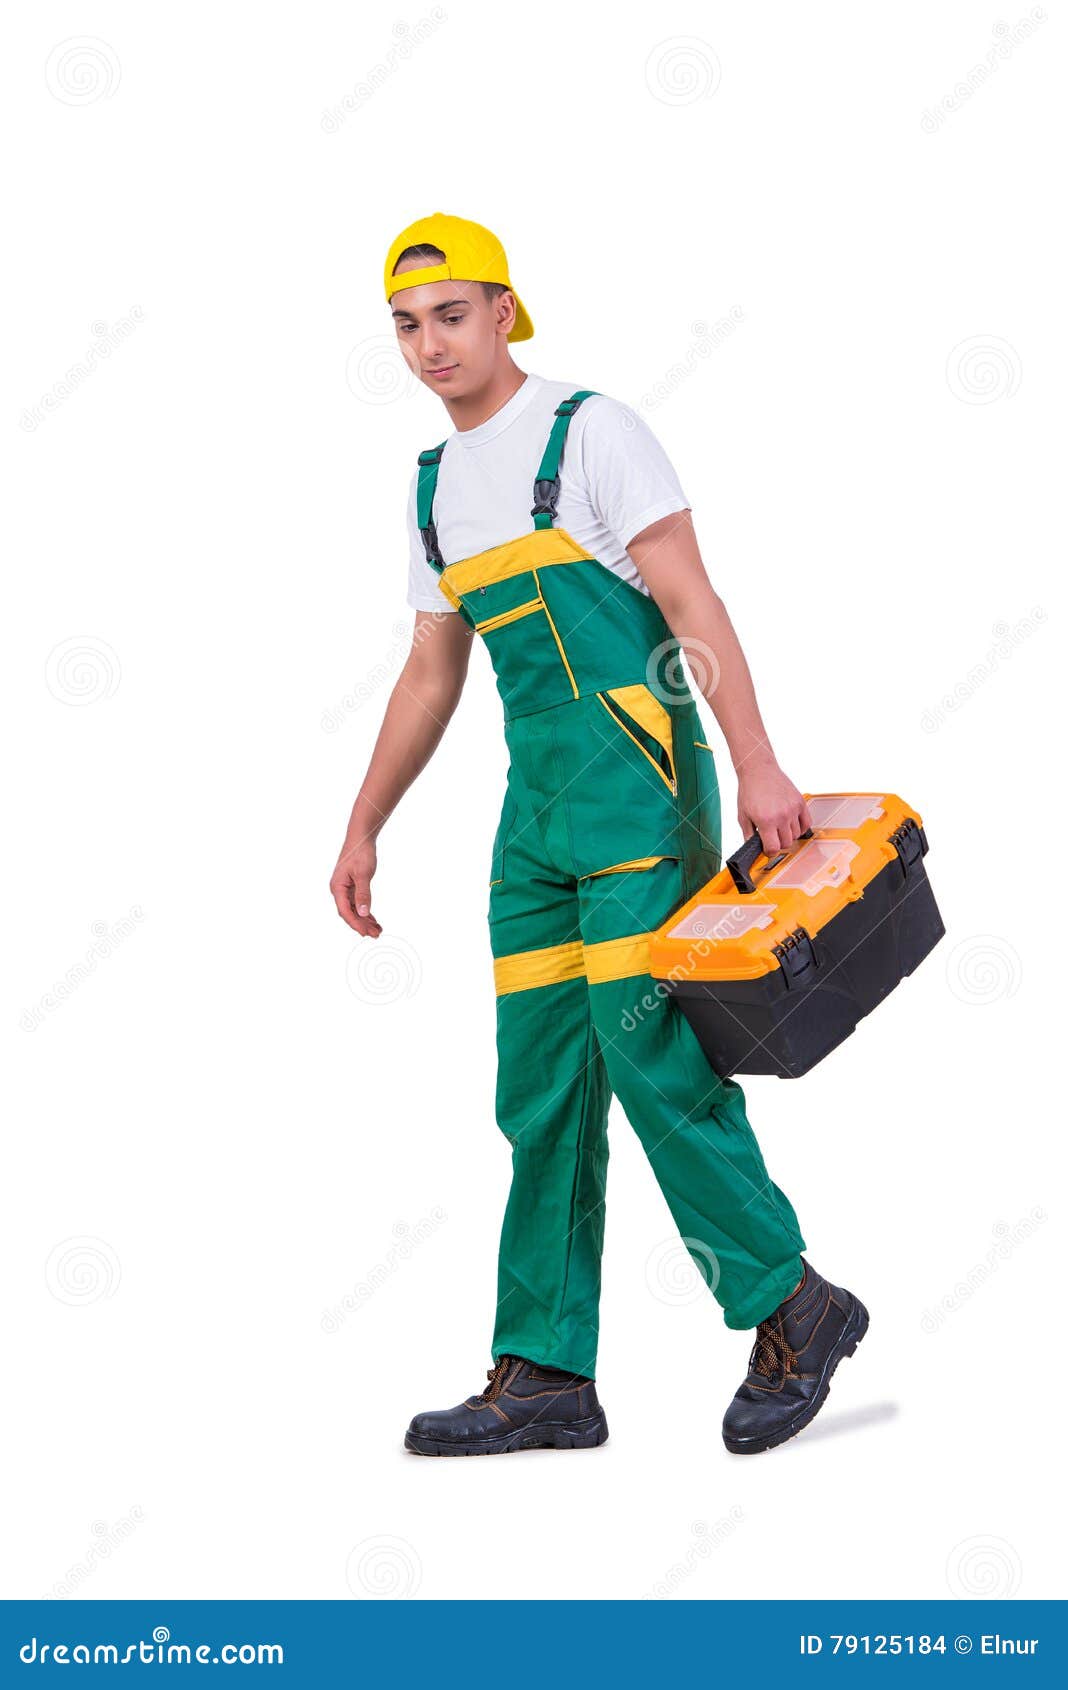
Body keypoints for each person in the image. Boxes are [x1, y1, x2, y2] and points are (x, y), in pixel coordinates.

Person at [330, 212, 868, 1457]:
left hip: (639, 785)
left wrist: (759, 761)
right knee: (541, 1088)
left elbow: (690, 601)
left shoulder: (590, 434)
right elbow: (429, 673)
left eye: (452, 315)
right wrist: (364, 821)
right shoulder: (432, 488)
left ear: (507, 310)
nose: (430, 345)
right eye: (407, 326)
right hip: (536, 820)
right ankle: (545, 1371)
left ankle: (794, 1302)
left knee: (650, 1060)